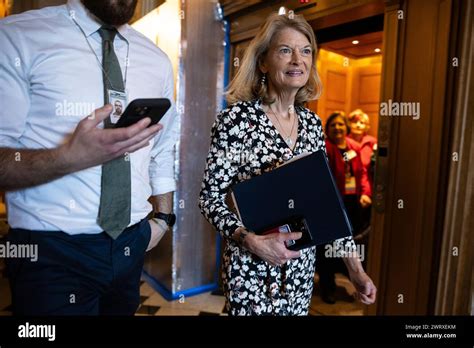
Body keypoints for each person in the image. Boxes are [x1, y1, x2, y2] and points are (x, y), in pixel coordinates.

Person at [0, 0, 178, 315]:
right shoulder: (18, 36)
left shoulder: (156, 60)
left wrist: (163, 220)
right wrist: (68, 157)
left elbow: (162, 150)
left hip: (130, 242)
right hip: (51, 252)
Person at [199, 13, 376, 315]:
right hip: (251, 271)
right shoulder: (236, 120)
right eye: (285, 50)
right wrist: (250, 240)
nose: (298, 59)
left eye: (305, 51)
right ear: (264, 62)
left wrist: (355, 269)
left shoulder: (312, 124)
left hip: (299, 273)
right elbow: (210, 198)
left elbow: (326, 204)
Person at [316, 111, 372, 304]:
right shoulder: (325, 148)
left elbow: (361, 173)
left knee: (349, 245)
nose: (337, 128)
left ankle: (354, 282)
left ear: (345, 128)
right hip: (330, 204)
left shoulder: (352, 147)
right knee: (328, 248)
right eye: (333, 125)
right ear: (327, 130)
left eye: (341, 125)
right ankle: (327, 287)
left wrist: (366, 192)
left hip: (352, 203)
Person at [347, 109, 377, 188]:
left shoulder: (372, 142)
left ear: (367, 127)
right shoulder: (344, 142)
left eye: (362, 123)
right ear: (349, 124)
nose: (358, 125)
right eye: (355, 122)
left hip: (368, 185)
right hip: (348, 185)